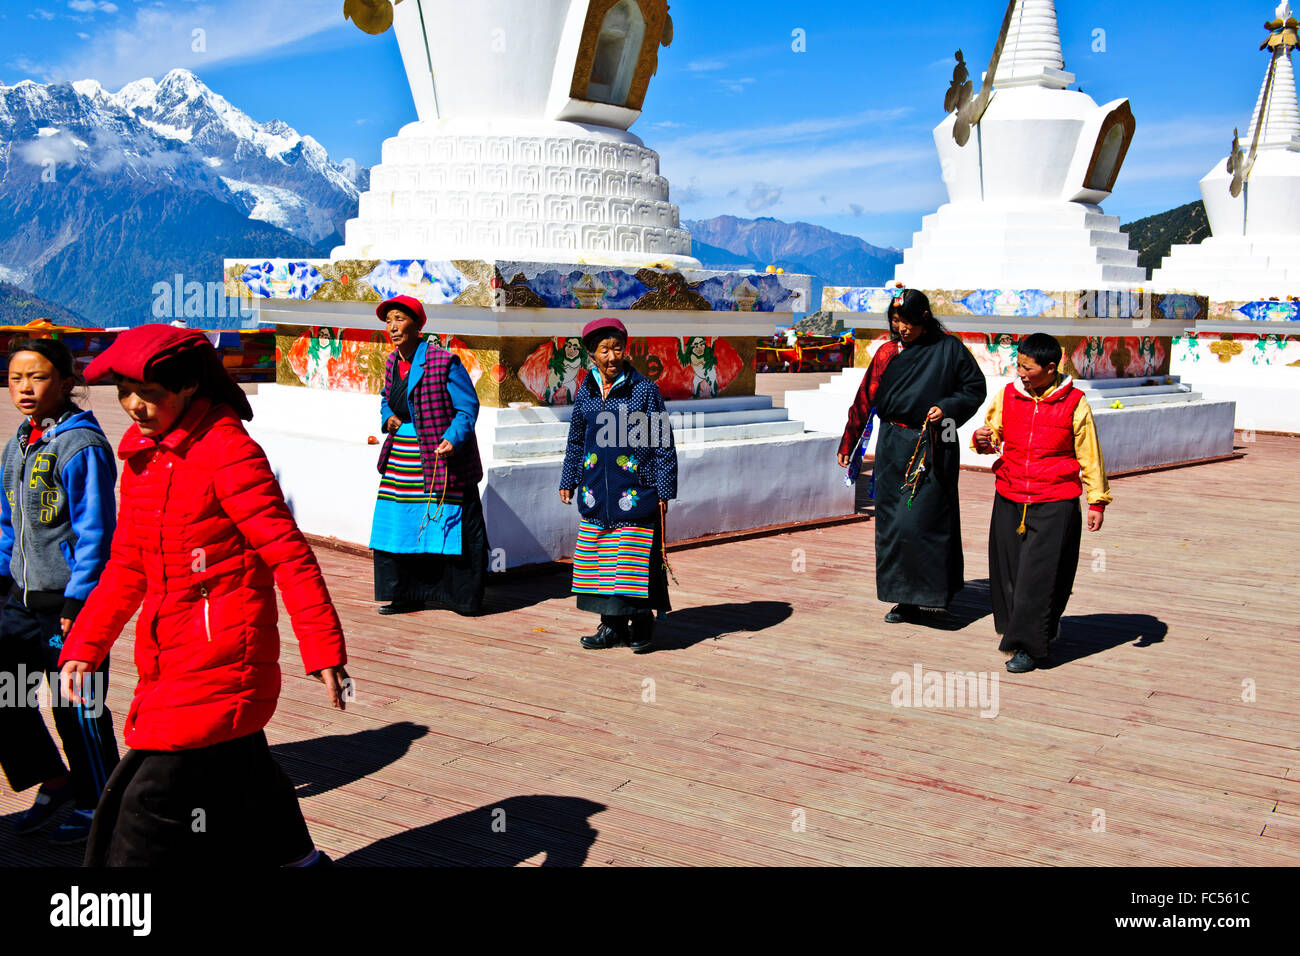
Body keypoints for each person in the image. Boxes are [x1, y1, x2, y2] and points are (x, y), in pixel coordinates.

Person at [56, 324, 349, 866]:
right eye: (125, 392)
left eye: (150, 393)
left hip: (222, 653)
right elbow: (127, 566)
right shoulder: (144, 457)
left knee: (145, 799)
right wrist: (84, 644)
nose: (135, 406)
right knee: (242, 769)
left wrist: (324, 649)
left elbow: (288, 552)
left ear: (188, 387)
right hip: (167, 649)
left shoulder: (228, 451)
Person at [0, 337, 120, 845]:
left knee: (78, 705)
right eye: (15, 378)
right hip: (19, 600)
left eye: (38, 377)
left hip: (69, 606)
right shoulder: (20, 443)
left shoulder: (81, 446)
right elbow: (7, 522)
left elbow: (96, 530)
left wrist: (79, 600)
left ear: (68, 384)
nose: (25, 388)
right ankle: (56, 781)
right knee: (7, 696)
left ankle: (102, 806)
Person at [838, 289, 986, 622]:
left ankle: (935, 594)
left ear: (923, 318)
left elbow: (973, 388)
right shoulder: (888, 353)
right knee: (895, 521)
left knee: (929, 518)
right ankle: (903, 596)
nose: (900, 327)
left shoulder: (949, 349)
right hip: (893, 443)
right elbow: (865, 398)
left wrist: (947, 408)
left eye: (906, 321)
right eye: (894, 320)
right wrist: (849, 442)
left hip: (936, 439)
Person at [972, 332, 1111, 673]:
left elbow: (1089, 455)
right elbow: (993, 436)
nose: (1020, 372)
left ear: (1050, 368)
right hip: (1010, 493)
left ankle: (1027, 646)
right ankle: (1031, 628)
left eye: (1027, 368)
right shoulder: (1008, 395)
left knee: (1040, 576)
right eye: (1018, 365)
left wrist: (1096, 500)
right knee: (1008, 574)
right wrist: (983, 438)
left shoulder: (1075, 402)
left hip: (1055, 499)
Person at [559, 318, 677, 652]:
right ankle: (610, 628)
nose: (612, 357)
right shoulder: (586, 391)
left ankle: (641, 625)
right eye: (604, 350)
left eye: (617, 348)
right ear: (592, 355)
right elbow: (576, 440)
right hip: (596, 491)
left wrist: (664, 490)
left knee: (631, 563)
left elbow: (662, 444)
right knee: (598, 561)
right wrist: (569, 478)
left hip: (635, 490)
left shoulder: (642, 390)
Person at [371, 295, 489, 616]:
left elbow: (467, 407)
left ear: (417, 325)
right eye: (389, 321)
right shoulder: (392, 362)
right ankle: (405, 594)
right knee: (401, 525)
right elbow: (386, 398)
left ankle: (460, 598)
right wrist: (388, 417)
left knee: (451, 524)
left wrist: (453, 438)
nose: (393, 328)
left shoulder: (443, 361)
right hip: (402, 458)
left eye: (399, 319)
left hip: (440, 459)